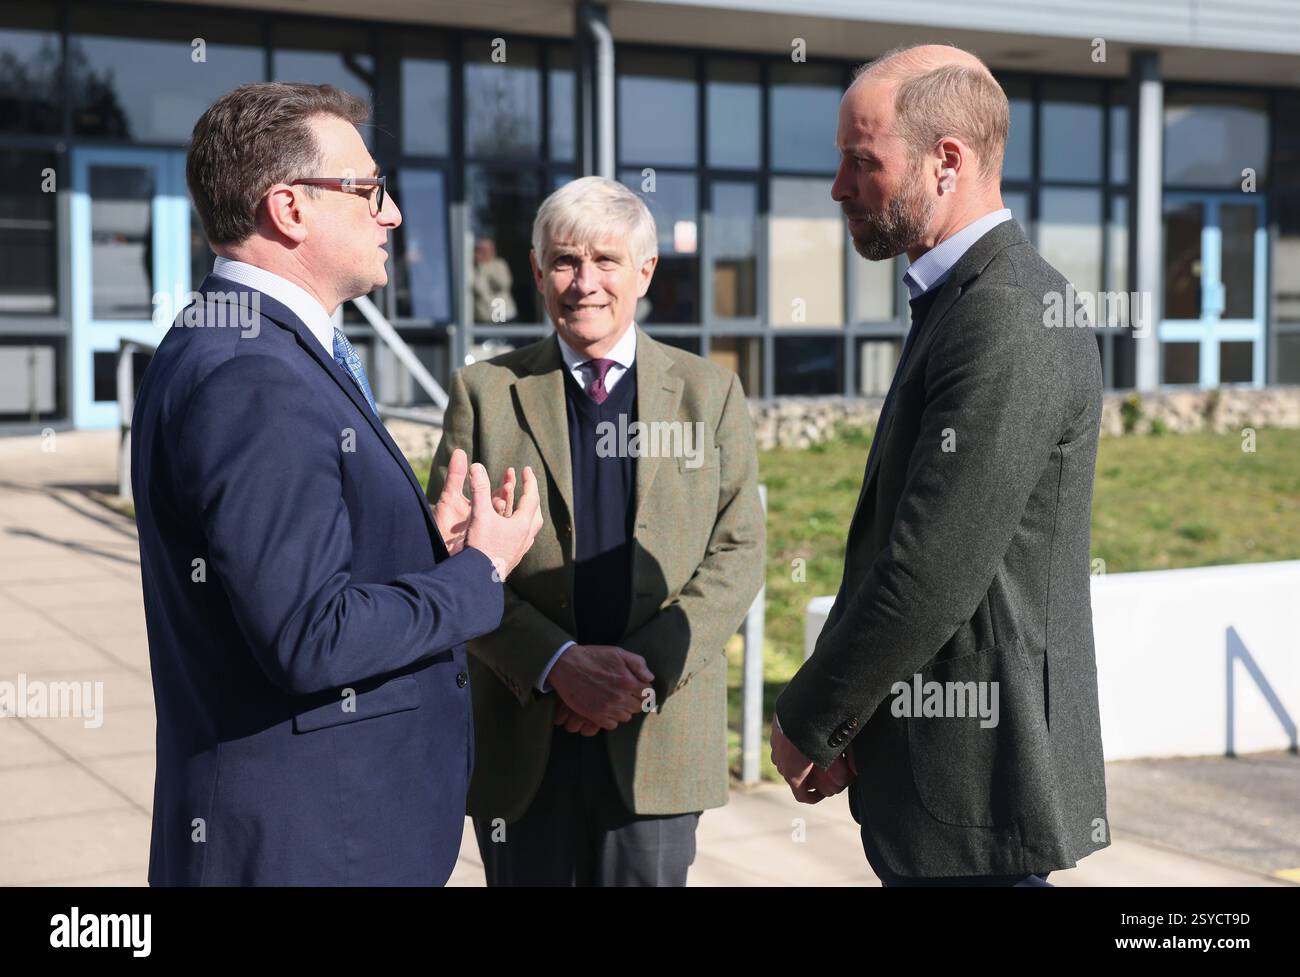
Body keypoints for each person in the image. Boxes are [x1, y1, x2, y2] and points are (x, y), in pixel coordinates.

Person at [133, 82, 541, 885]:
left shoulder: (238, 339)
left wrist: (417, 540)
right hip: (312, 845)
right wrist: (477, 571)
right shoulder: (256, 372)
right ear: (289, 208)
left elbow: (286, 568)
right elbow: (309, 635)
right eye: (367, 191)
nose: (390, 213)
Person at [771, 44, 1109, 886]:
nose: (841, 188)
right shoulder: (964, 301)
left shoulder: (1005, 315)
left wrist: (813, 718)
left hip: (975, 790)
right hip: (943, 779)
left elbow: (929, 571)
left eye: (861, 161)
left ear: (946, 161)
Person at [427, 176, 765, 886]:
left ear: (644, 272)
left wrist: (637, 676)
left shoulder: (711, 392)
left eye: (605, 261)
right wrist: (559, 665)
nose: (584, 282)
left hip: (657, 739)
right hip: (525, 736)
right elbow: (449, 557)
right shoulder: (485, 393)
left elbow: (738, 552)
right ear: (536, 272)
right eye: (564, 261)